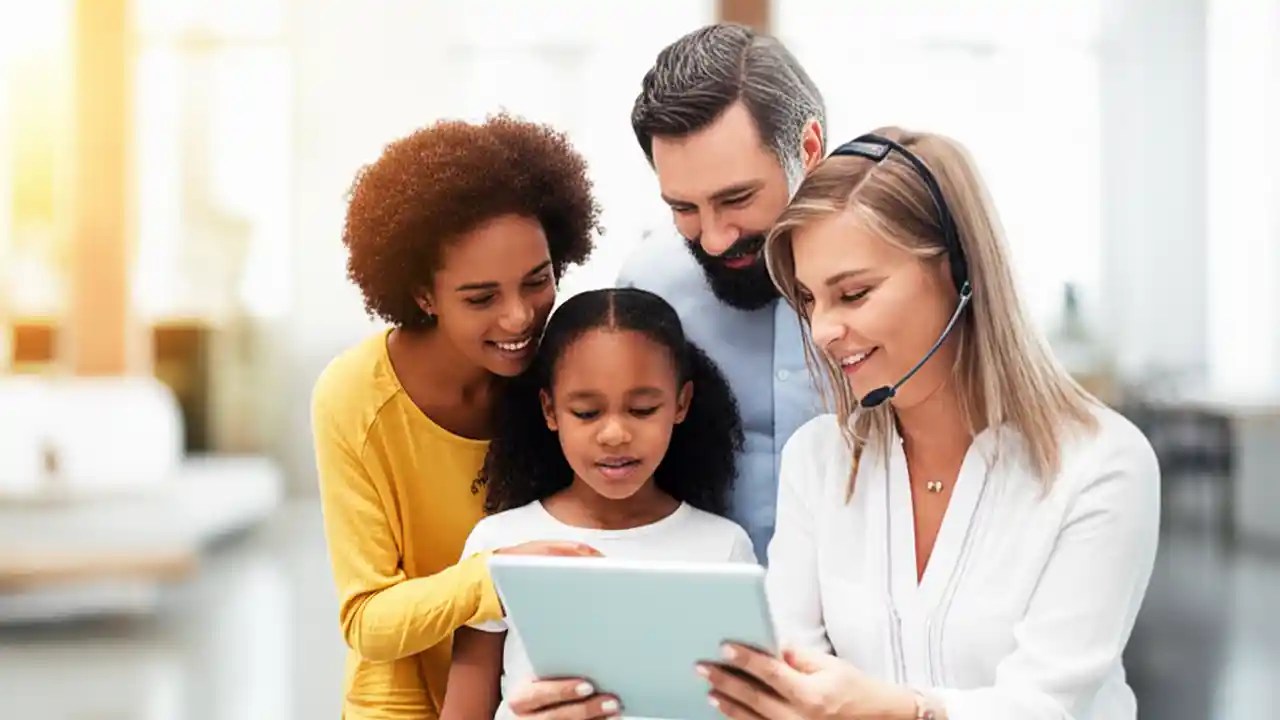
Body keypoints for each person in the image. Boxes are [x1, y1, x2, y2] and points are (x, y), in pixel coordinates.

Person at [700, 128, 1161, 719]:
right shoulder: (818, 457)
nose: (821, 332)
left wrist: (906, 711)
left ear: (961, 270)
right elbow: (789, 660)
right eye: (810, 300)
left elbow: (1046, 705)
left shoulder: (1101, 462)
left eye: (855, 293)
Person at [311, 113, 607, 720]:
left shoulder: (564, 371)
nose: (520, 318)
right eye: (481, 298)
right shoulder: (355, 397)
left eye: (537, 281)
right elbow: (367, 619)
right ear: (423, 294)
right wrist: (497, 579)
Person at [438, 287, 755, 720]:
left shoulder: (723, 547)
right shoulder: (501, 543)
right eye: (586, 413)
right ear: (550, 411)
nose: (614, 435)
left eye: (642, 409)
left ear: (681, 403)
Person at [619, 22, 829, 560]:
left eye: (736, 198)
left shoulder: (902, 279)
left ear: (808, 149)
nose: (713, 240)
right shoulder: (649, 286)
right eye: (683, 208)